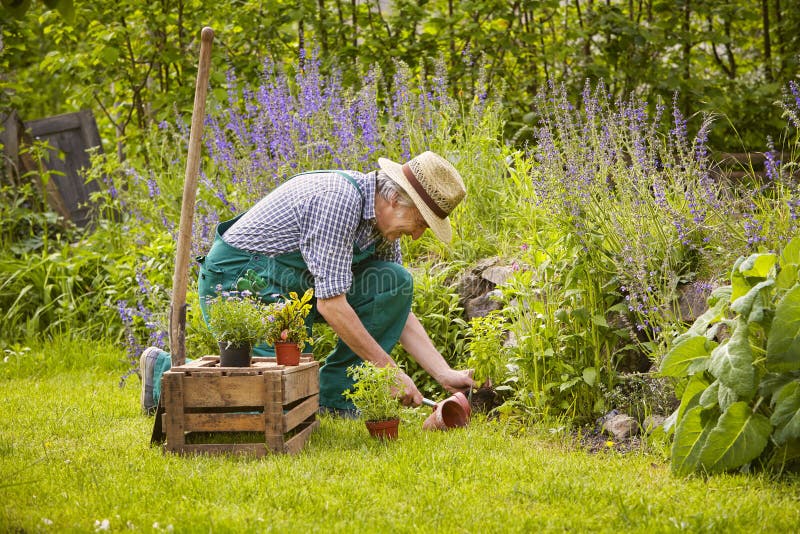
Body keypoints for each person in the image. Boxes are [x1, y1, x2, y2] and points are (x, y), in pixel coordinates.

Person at [139, 150, 474, 416]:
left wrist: (443, 373)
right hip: (243, 281)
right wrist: (390, 371)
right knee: (271, 399)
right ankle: (163, 372)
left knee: (394, 283)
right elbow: (332, 305)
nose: (416, 236)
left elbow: (395, 309)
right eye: (420, 223)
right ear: (395, 199)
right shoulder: (338, 200)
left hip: (292, 290)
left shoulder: (382, 227)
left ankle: (334, 400)